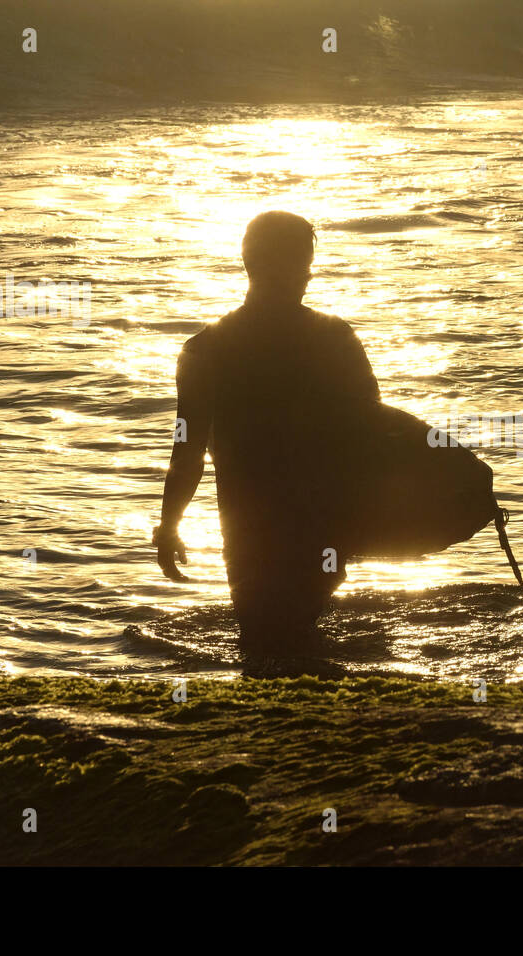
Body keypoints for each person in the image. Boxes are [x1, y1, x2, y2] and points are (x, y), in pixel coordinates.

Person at [154, 211, 380, 665]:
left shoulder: (203, 350)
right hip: (326, 523)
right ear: (290, 266)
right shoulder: (335, 338)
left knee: (263, 642)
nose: (309, 274)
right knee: (299, 633)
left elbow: (186, 448)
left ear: (246, 262)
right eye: (304, 263)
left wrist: (169, 525)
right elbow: (374, 431)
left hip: (247, 530)